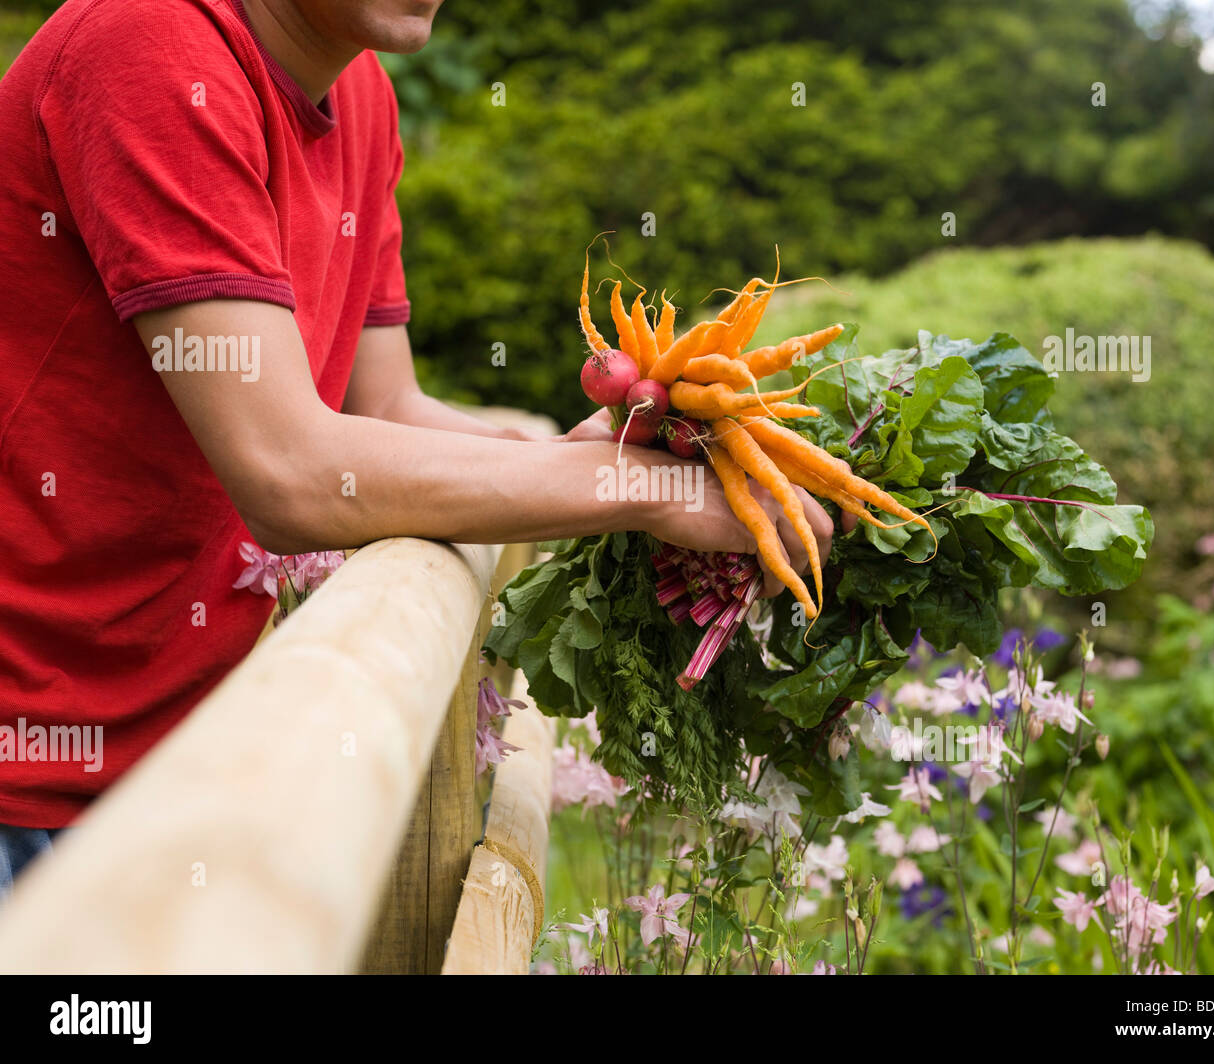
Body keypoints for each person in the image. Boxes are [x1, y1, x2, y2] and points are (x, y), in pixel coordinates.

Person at [0, 0, 836, 898]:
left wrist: (614, 453)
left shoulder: (359, 93)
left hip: (174, 756)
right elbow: (286, 471)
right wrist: (642, 493)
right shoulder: (148, 48)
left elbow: (387, 406)